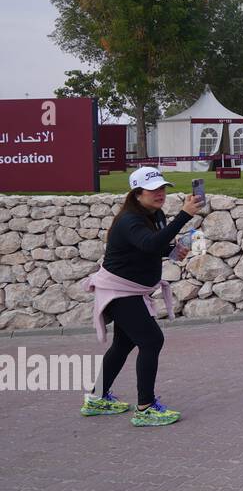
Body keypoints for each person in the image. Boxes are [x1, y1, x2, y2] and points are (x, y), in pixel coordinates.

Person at [80, 166, 203, 426]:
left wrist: (172, 250)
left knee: (123, 344)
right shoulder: (129, 220)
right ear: (137, 193)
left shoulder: (154, 214)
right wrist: (184, 215)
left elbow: (152, 245)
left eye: (162, 188)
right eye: (153, 189)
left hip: (130, 290)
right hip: (119, 291)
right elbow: (149, 244)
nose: (159, 193)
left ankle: (97, 397)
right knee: (151, 340)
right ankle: (145, 408)